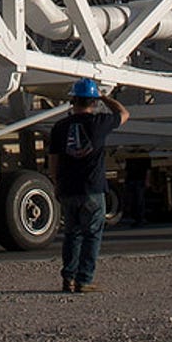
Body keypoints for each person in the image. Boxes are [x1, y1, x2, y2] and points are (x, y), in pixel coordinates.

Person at [50, 79, 127, 292]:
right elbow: (124, 113)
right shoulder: (100, 122)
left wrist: (56, 184)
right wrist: (104, 97)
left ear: (73, 100)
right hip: (92, 188)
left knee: (72, 234)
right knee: (92, 235)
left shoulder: (59, 127)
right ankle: (84, 280)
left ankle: (69, 277)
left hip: (68, 188)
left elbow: (54, 160)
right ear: (92, 101)